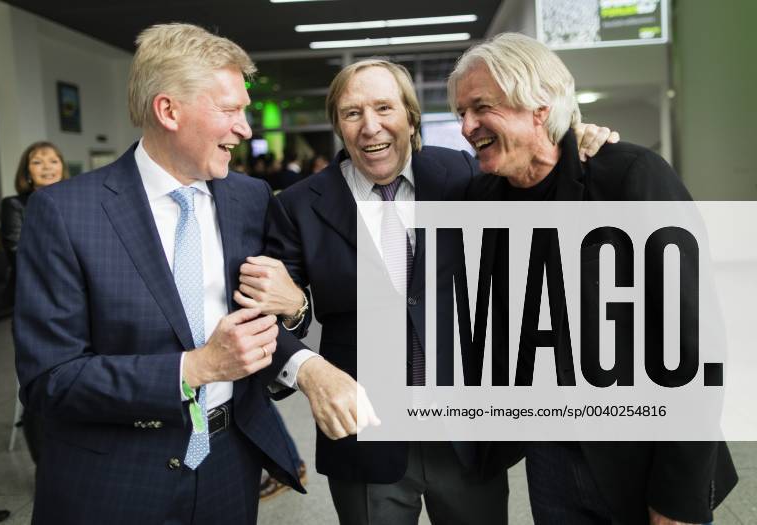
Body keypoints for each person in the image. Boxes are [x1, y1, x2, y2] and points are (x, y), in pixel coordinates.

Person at [236, 58, 617, 524]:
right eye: (352, 113)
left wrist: (576, 143)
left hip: (465, 437)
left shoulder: (464, 173)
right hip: (365, 440)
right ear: (338, 125)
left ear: (411, 117)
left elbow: (536, 183)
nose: (370, 126)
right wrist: (306, 353)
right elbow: (267, 316)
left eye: (384, 108)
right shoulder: (298, 206)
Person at [13, 23, 311, 525]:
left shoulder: (249, 199)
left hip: (228, 468)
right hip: (113, 480)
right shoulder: (64, 213)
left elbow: (266, 324)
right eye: (230, 110)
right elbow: (50, 380)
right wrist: (194, 368)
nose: (246, 130)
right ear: (168, 110)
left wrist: (297, 308)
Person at [448, 32, 738, 525]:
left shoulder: (630, 178)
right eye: (460, 113)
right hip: (549, 453)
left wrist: (677, 497)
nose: (466, 126)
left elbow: (694, 344)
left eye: (480, 108)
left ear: (538, 107)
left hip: (640, 450)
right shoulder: (482, 199)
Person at [1, 141, 69, 466]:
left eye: (53, 160)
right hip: (35, 308)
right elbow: (20, 253)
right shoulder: (14, 205)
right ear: (26, 171)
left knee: (81, 383)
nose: (46, 167)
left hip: (78, 306)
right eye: (37, 162)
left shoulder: (76, 200)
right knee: (42, 386)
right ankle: (47, 469)